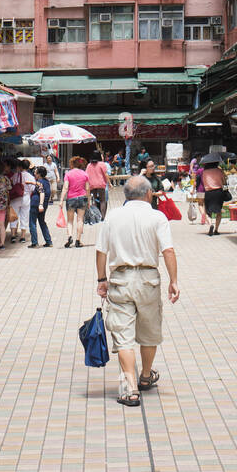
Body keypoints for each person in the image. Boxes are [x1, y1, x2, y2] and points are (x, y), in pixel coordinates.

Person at [95, 174, 179, 407]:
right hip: (149, 280)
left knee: (123, 337)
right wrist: (174, 280)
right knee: (149, 330)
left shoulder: (112, 216)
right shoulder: (157, 216)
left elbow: (101, 251)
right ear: (149, 193)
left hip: (120, 279)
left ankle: (130, 389)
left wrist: (102, 279)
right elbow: (168, 251)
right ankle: (145, 376)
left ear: (126, 195)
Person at [60, 155, 91, 248]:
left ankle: (70, 236)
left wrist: (61, 200)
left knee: (70, 221)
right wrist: (88, 200)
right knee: (80, 219)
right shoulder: (85, 174)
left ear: (72, 164)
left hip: (71, 198)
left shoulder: (68, 174)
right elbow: (87, 188)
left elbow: (65, 187)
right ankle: (78, 240)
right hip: (82, 198)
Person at [201, 157, 226, 234]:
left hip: (208, 192)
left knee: (208, 211)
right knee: (219, 211)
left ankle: (211, 224)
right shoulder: (219, 171)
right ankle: (216, 230)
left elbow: (204, 182)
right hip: (218, 192)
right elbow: (224, 182)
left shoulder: (204, 172)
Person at [29, 167, 52, 248]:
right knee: (42, 222)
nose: (34, 173)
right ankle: (48, 241)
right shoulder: (47, 182)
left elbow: (42, 193)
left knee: (32, 223)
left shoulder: (39, 182)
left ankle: (34, 242)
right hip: (44, 205)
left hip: (36, 204)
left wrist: (40, 204)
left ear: (39, 174)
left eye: (35, 172)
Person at [86, 151, 110, 219]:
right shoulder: (102, 164)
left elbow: (86, 175)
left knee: (94, 200)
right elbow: (106, 174)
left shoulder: (89, 165)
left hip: (92, 185)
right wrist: (110, 183)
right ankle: (103, 216)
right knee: (102, 200)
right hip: (100, 184)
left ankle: (96, 216)